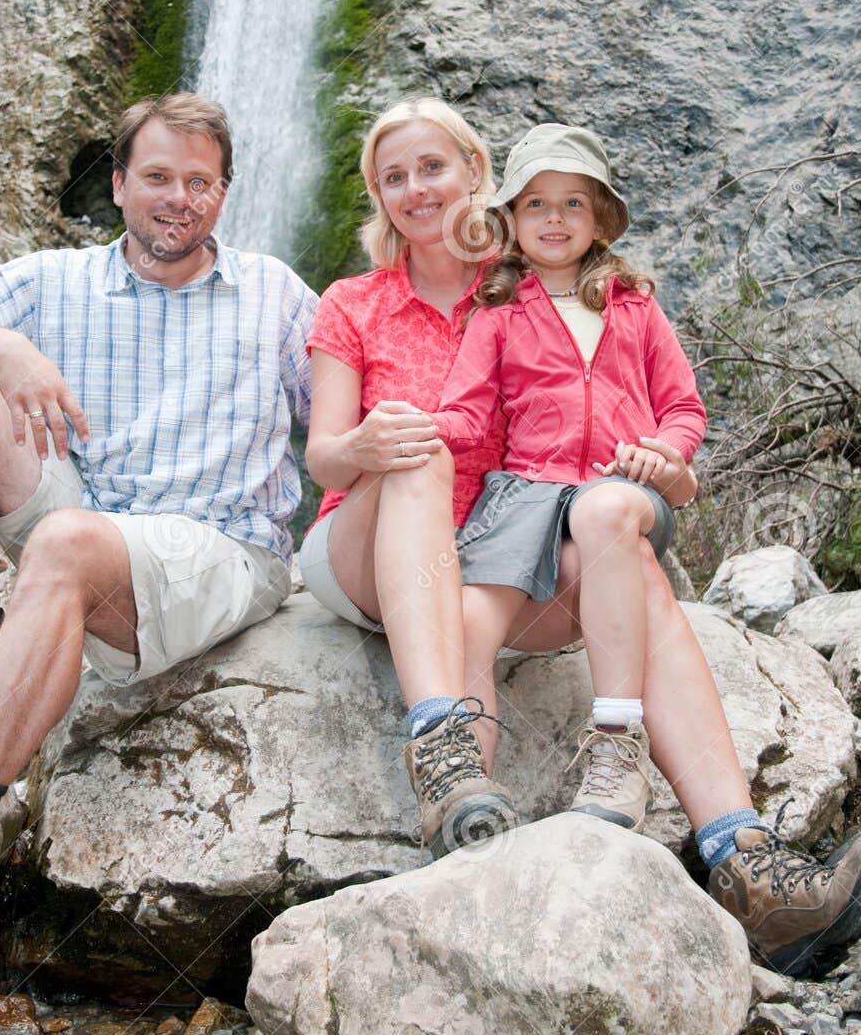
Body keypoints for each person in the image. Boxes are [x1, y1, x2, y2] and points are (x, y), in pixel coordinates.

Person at [0, 93, 317, 967]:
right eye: (157, 177)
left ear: (223, 195)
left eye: (199, 182)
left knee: (64, 543)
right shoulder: (55, 279)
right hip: (85, 521)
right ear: (117, 185)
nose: (177, 198)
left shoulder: (277, 296)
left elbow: (351, 418)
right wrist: (6, 350)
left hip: (219, 549)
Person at [433, 123, 861, 978]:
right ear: (509, 219)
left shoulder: (631, 308)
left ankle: (616, 747)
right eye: (535, 204)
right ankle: (462, 824)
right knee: (468, 616)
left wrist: (666, 454)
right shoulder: (496, 313)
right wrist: (413, 447)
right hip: (525, 500)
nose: (554, 219)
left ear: (601, 217)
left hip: (620, 490)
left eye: (573, 203)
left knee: (602, 514)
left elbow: (683, 407)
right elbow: (467, 416)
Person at [300, 98, 518, 860]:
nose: (415, 189)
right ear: (379, 197)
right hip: (359, 550)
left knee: (472, 610)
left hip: (487, 557)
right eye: (394, 177)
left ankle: (465, 824)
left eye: (432, 167)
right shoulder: (352, 303)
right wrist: (362, 443)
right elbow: (321, 457)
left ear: (475, 172)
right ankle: (435, 729)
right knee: (418, 451)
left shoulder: (521, 291)